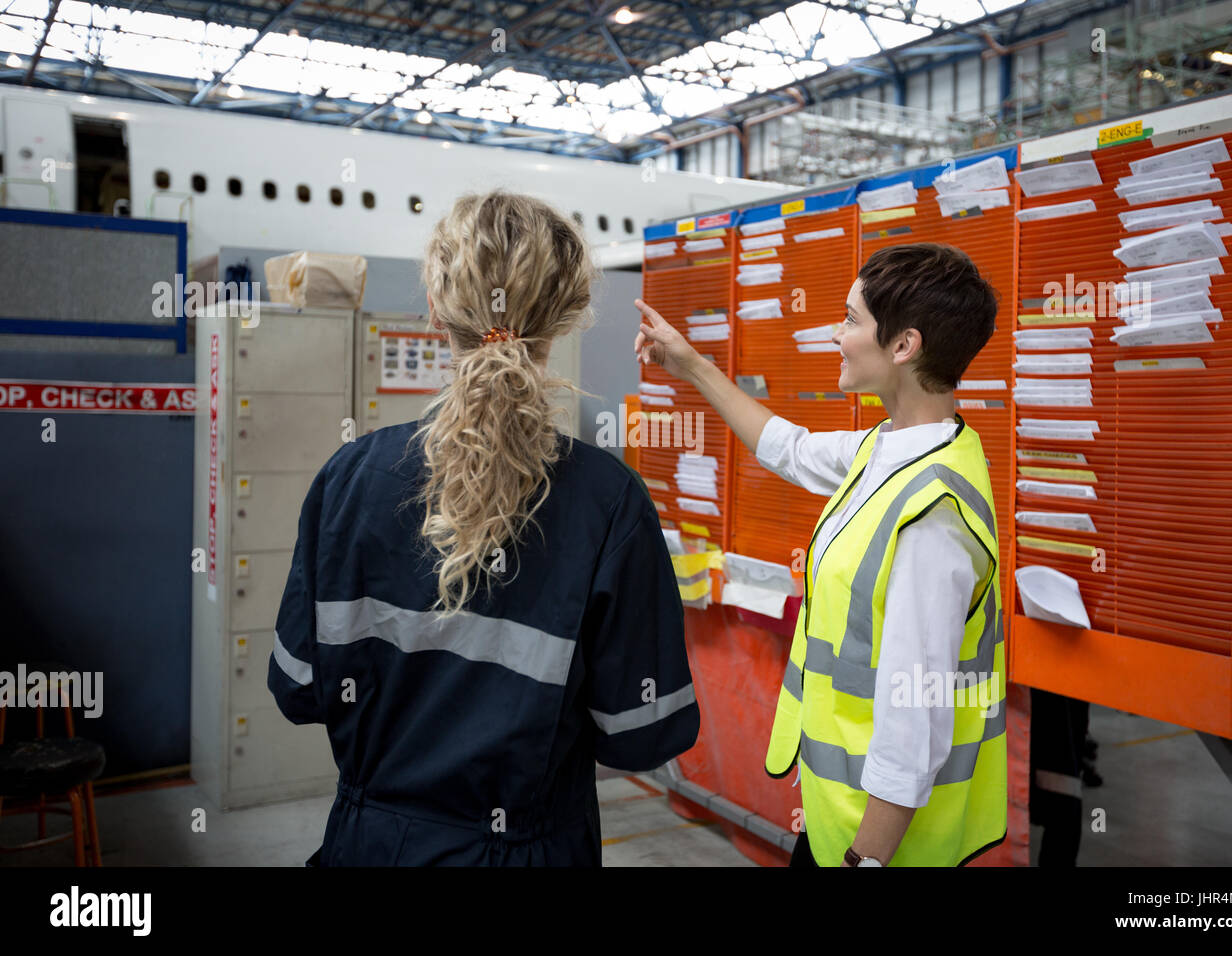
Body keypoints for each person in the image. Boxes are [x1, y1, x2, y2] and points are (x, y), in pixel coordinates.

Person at [269, 190, 699, 866]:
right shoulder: (608, 502)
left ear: (436, 310)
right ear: (570, 317)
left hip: (368, 846)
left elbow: (297, 688)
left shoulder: (348, 479)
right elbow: (640, 734)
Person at [634, 242, 1006, 866]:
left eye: (852, 319)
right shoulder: (884, 448)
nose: (838, 334)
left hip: (880, 848)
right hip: (842, 816)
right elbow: (788, 446)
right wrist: (692, 364)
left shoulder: (931, 516)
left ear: (904, 346)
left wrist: (866, 858)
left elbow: (916, 719)